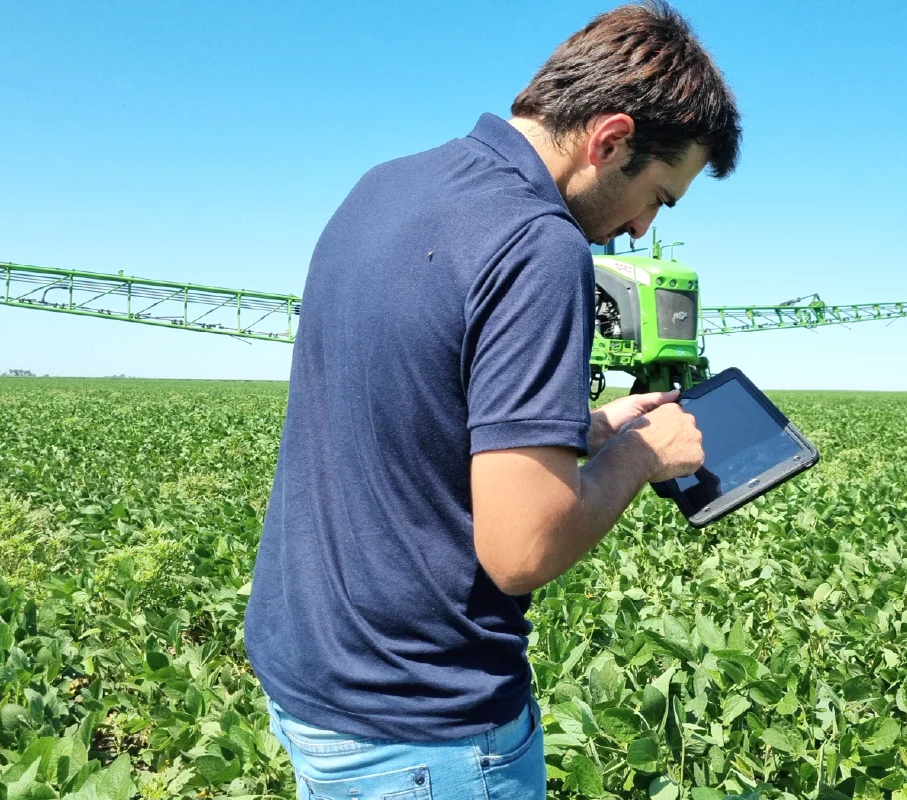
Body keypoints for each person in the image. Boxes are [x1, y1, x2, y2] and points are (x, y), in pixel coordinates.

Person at [244, 2, 741, 797]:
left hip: (312, 675)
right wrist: (639, 457)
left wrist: (580, 430)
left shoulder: (389, 184)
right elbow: (521, 553)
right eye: (659, 195)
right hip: (423, 726)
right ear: (609, 139)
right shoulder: (539, 244)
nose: (643, 230)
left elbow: (413, 408)